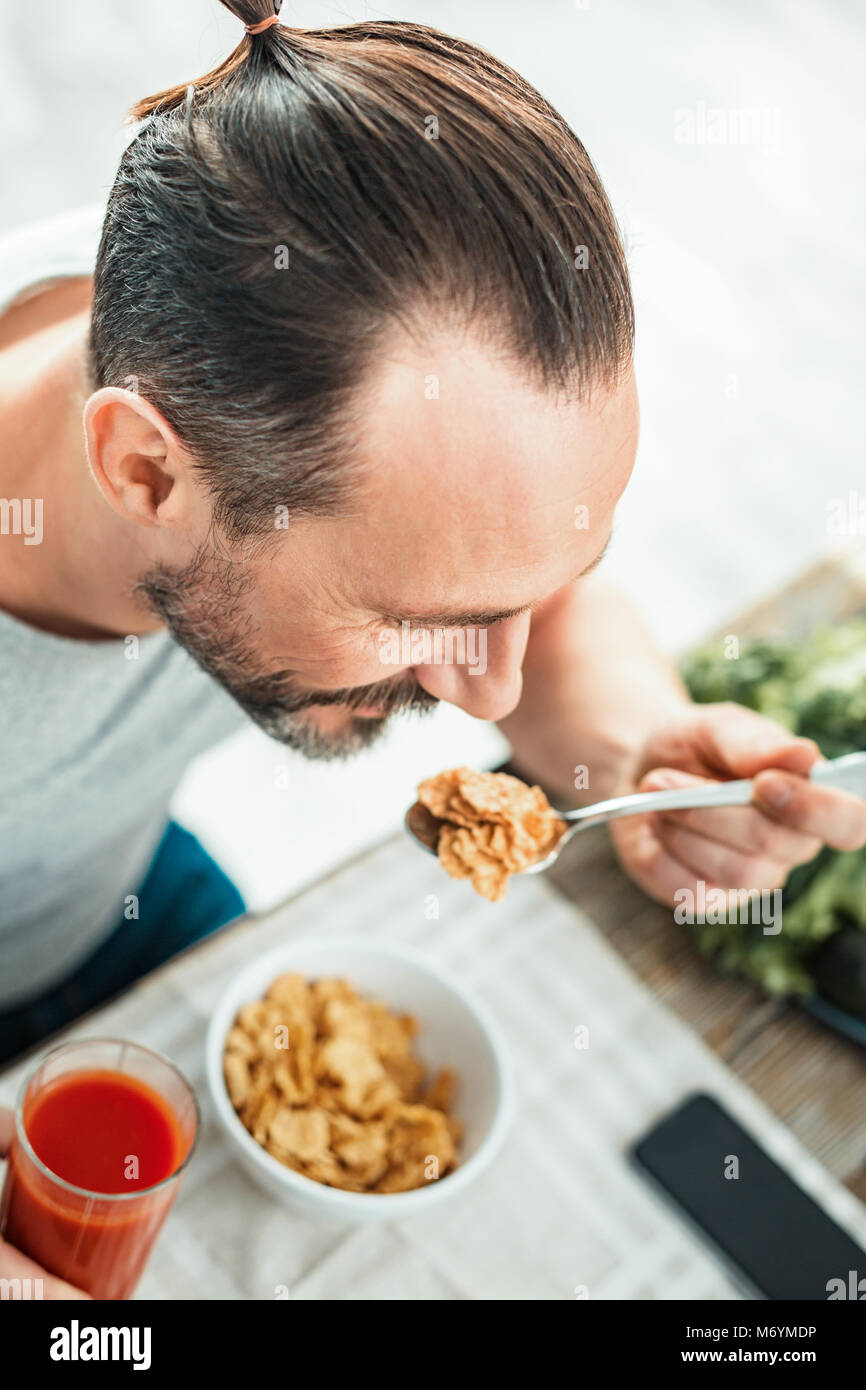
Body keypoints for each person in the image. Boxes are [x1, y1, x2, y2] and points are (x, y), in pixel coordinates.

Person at [2, 0, 865, 1294]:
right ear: (143, 467)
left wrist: (634, 741)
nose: (500, 689)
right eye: (429, 618)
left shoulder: (213, 328)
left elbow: (540, 611)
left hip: (100, 905)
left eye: (527, 591)